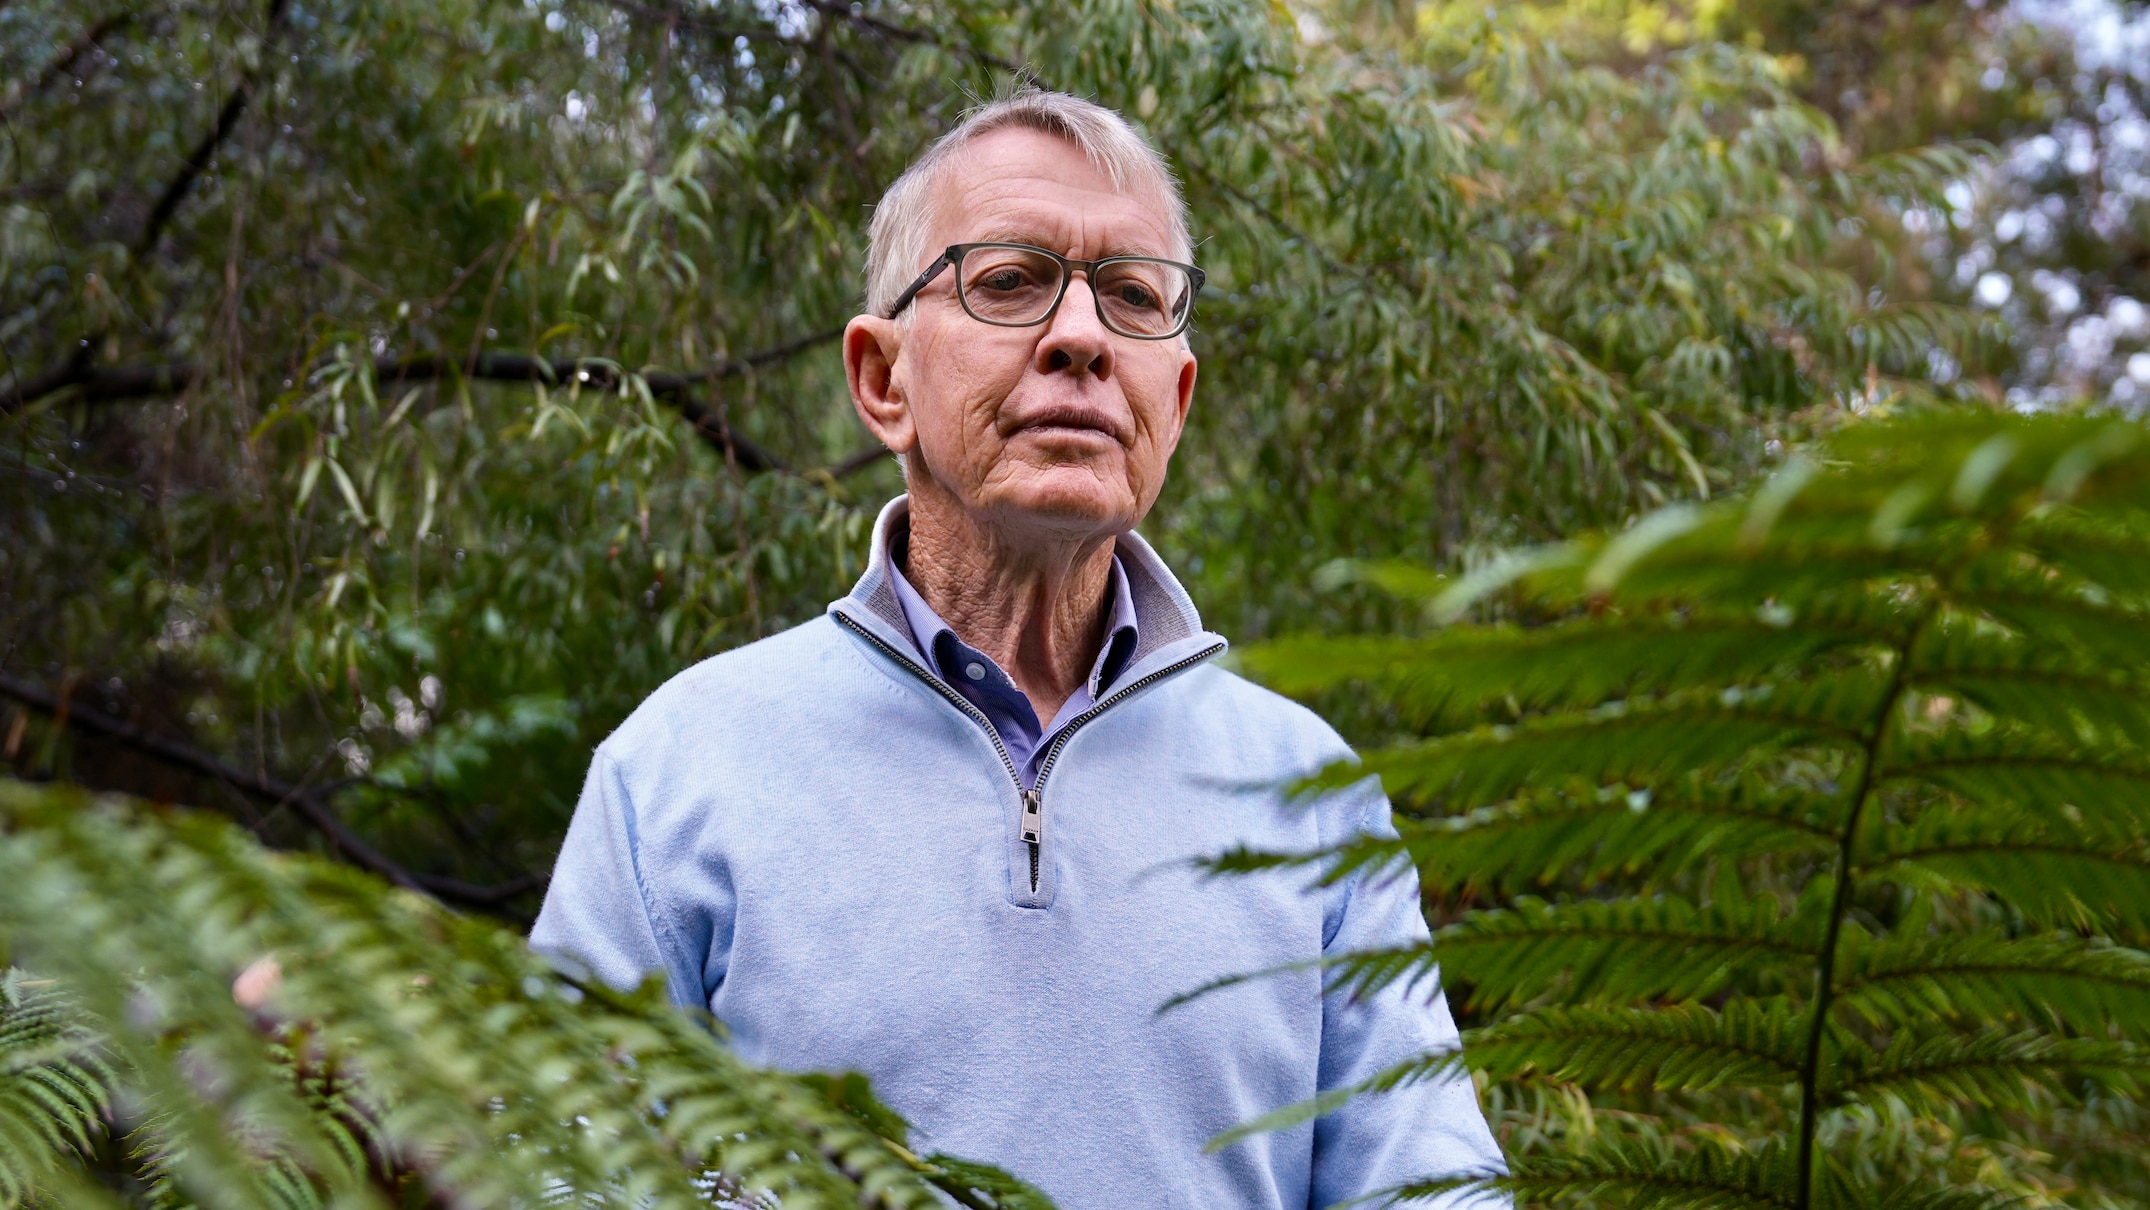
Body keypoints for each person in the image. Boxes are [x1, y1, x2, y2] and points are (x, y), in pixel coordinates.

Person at [531, 88, 1504, 1209]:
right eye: (1007, 280)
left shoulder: (1308, 796)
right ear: (881, 379)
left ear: (1173, 402)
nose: (1082, 338)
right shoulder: (681, 767)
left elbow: (1429, 1191)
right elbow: (554, 1168)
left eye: (1133, 296)